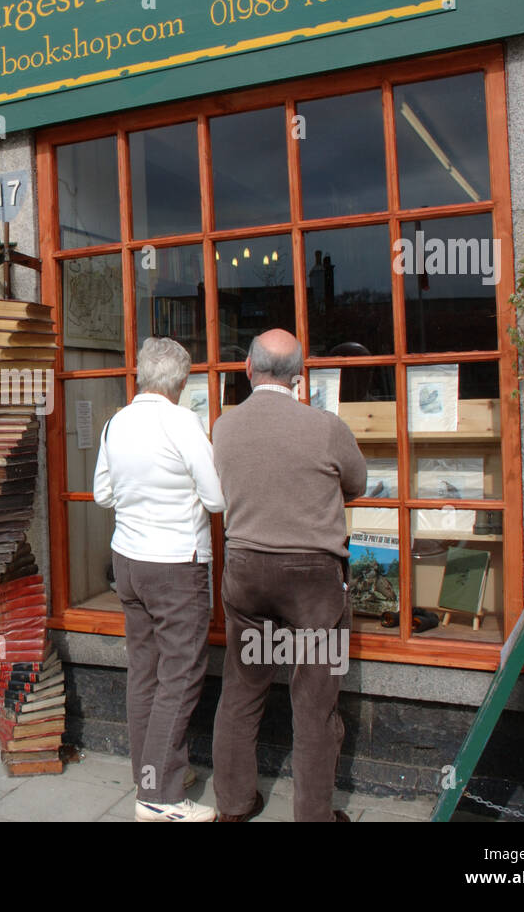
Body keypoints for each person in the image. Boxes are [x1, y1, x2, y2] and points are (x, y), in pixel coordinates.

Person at [210, 328, 366, 822]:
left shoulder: (223, 427)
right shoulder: (326, 426)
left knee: (240, 690)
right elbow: (357, 484)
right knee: (314, 702)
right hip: (312, 580)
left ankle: (234, 805)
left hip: (247, 570)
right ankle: (314, 816)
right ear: (299, 378)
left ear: (248, 370)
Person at [93, 337, 225, 822]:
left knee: (144, 672)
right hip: (175, 565)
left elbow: (102, 494)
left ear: (140, 376)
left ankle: (148, 774)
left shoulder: (115, 422)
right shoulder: (183, 422)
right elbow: (215, 499)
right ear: (182, 383)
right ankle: (160, 797)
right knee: (180, 675)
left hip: (127, 560)